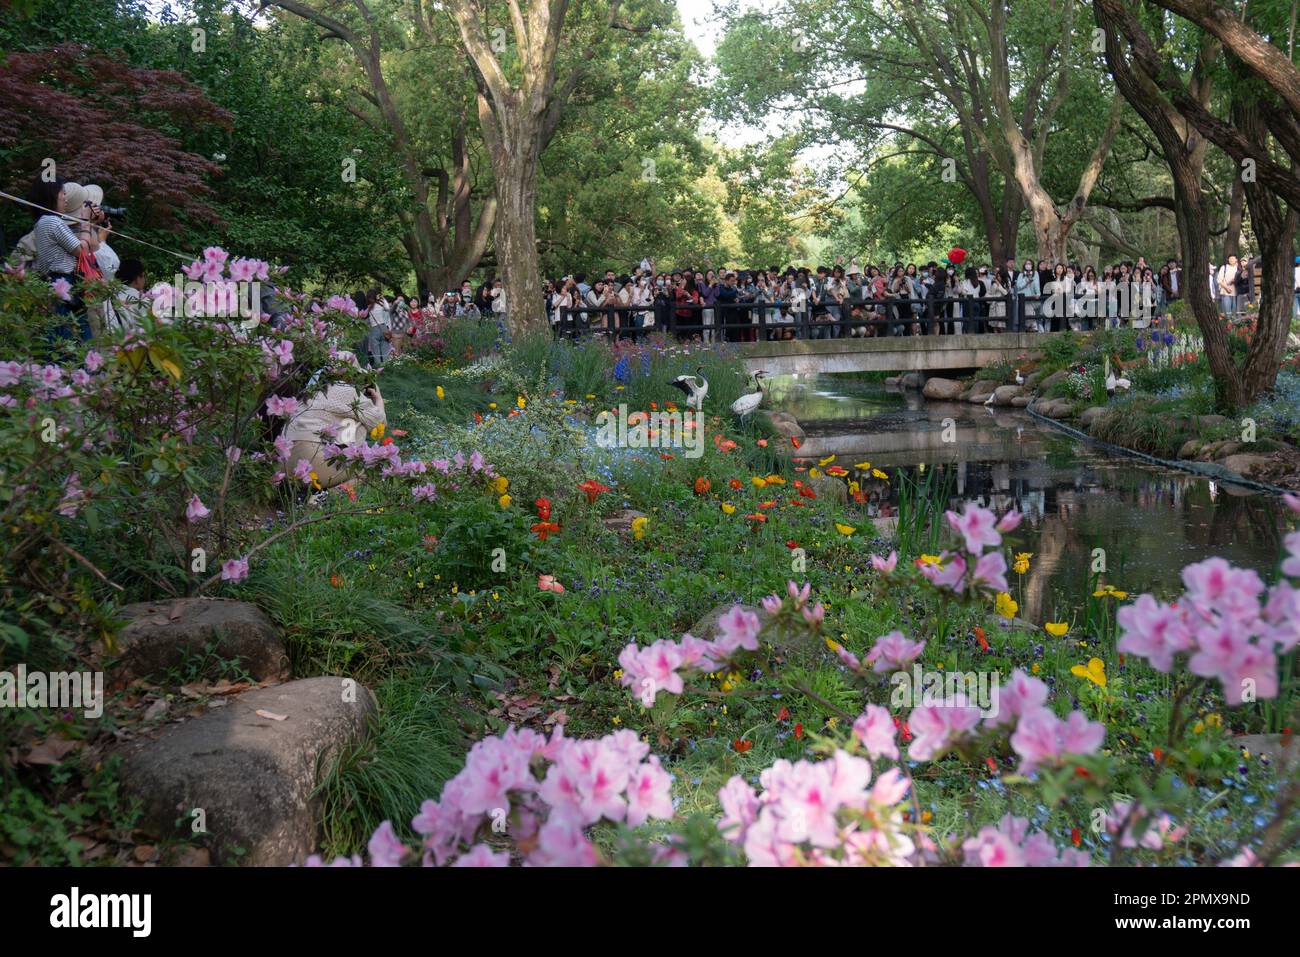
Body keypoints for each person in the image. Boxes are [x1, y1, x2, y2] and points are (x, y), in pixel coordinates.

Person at [283, 356, 386, 490]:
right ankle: (322, 499)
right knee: (372, 467)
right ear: (351, 374)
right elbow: (379, 422)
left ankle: (301, 494)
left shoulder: (310, 391)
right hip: (313, 462)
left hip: (284, 462)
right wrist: (378, 398)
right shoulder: (349, 391)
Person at [105, 258, 148, 333]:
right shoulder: (141, 300)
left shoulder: (107, 297)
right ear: (137, 279)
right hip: (128, 342)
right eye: (143, 276)